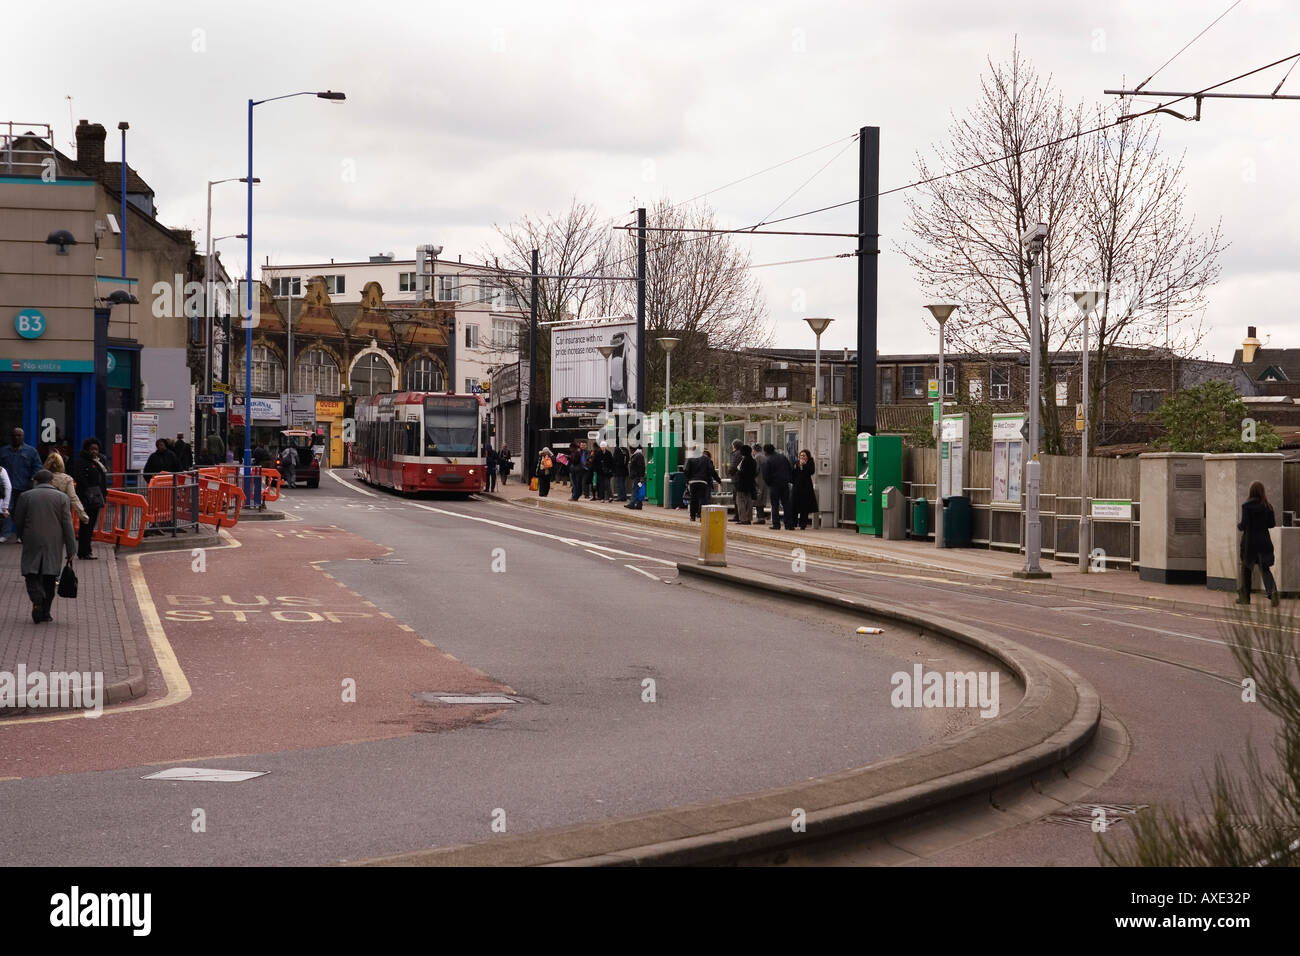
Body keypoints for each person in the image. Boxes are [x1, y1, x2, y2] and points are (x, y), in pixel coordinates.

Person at [12, 470, 77, 624]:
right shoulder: (62, 498)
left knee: (30, 572)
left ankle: (37, 598)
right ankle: (46, 613)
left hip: (32, 538)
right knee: (50, 576)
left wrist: (22, 536)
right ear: (51, 481)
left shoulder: (25, 496)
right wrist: (71, 548)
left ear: (35, 481)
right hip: (54, 541)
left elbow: (18, 520)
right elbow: (67, 524)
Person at [1238, 481, 1279, 606]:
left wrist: (1239, 526)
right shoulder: (1268, 506)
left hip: (1250, 542)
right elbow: (1272, 524)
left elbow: (1244, 524)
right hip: (1263, 542)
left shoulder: (1246, 506)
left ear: (1251, 491)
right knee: (1265, 568)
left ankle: (1245, 598)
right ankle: (1273, 594)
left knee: (1246, 570)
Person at [1, 427, 42, 542]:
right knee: (6, 510)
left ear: (23, 437)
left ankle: (21, 535)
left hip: (24, 487)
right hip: (6, 488)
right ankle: (5, 534)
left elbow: (37, 468)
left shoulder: (31, 451)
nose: (16, 437)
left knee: (22, 512)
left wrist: (34, 480)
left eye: (19, 435)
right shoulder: (4, 451)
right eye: (14, 435)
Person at [70, 438, 108, 560]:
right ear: (87, 449)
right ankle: (84, 551)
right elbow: (79, 477)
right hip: (86, 497)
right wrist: (88, 489)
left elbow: (102, 478)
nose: (94, 451)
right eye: (92, 449)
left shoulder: (99, 461)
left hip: (96, 497)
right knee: (85, 524)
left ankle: (87, 550)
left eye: (96, 449)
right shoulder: (81, 462)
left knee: (91, 525)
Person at [44, 452, 89, 527]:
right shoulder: (67, 479)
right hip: (61, 512)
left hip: (44, 512)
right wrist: (82, 515)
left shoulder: (40, 477)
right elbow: (73, 498)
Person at [761, 443, 794, 530]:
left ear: (765, 451)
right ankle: (789, 524)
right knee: (786, 504)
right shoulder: (783, 457)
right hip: (784, 484)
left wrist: (769, 483)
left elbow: (766, 474)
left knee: (775, 504)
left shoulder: (767, 460)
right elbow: (789, 468)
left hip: (774, 485)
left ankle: (776, 524)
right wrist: (788, 479)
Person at [684, 450, 721, 522]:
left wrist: (688, 480)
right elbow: (711, 470)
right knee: (702, 499)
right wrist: (718, 480)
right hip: (703, 481)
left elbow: (686, 470)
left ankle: (692, 516)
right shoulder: (706, 459)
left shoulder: (690, 459)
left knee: (693, 499)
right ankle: (701, 516)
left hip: (693, 482)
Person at [791, 448, 818, 530]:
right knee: (794, 505)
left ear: (807, 456)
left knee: (804, 506)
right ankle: (794, 523)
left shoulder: (810, 462)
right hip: (797, 486)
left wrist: (804, 465)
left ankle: (803, 524)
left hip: (806, 487)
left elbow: (811, 472)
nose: (802, 457)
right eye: (801, 455)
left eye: (804, 455)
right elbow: (793, 473)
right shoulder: (796, 463)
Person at [733, 444, 757, 525]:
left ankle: (743, 519)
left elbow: (741, 472)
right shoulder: (753, 461)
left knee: (740, 501)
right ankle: (749, 518)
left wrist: (738, 472)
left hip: (742, 484)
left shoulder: (744, 461)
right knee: (749, 501)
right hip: (750, 484)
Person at [727, 440, 746, 522]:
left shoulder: (736, 454)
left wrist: (729, 471)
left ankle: (738, 516)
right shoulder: (743, 453)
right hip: (743, 479)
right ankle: (741, 515)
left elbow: (733, 466)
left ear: (734, 446)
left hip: (737, 478)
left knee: (737, 498)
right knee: (742, 498)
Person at [626, 444, 646, 510]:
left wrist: (641, 477)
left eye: (630, 450)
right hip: (637, 476)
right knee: (638, 490)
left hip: (638, 476)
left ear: (633, 449)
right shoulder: (637, 455)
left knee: (635, 489)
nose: (630, 451)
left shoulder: (638, 456)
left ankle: (632, 503)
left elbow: (641, 467)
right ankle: (639, 504)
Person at [752, 443, 768, 525]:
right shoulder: (764, 457)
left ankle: (760, 518)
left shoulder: (757, 457)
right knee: (761, 499)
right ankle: (761, 517)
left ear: (754, 450)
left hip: (758, 481)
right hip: (764, 481)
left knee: (758, 499)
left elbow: (756, 470)